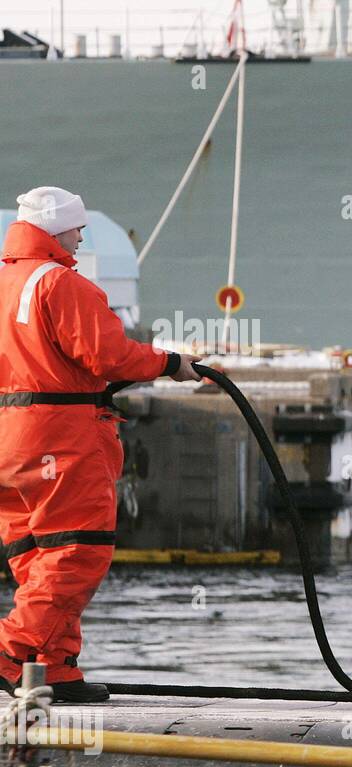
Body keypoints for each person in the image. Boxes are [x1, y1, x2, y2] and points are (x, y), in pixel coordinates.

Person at [0, 187, 201, 701]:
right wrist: (169, 363)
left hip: (9, 439)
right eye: (74, 226)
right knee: (76, 552)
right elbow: (107, 354)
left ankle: (53, 670)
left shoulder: (6, 281)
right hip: (60, 436)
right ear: (52, 229)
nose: (81, 234)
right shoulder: (60, 284)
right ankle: (9, 653)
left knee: (37, 557)